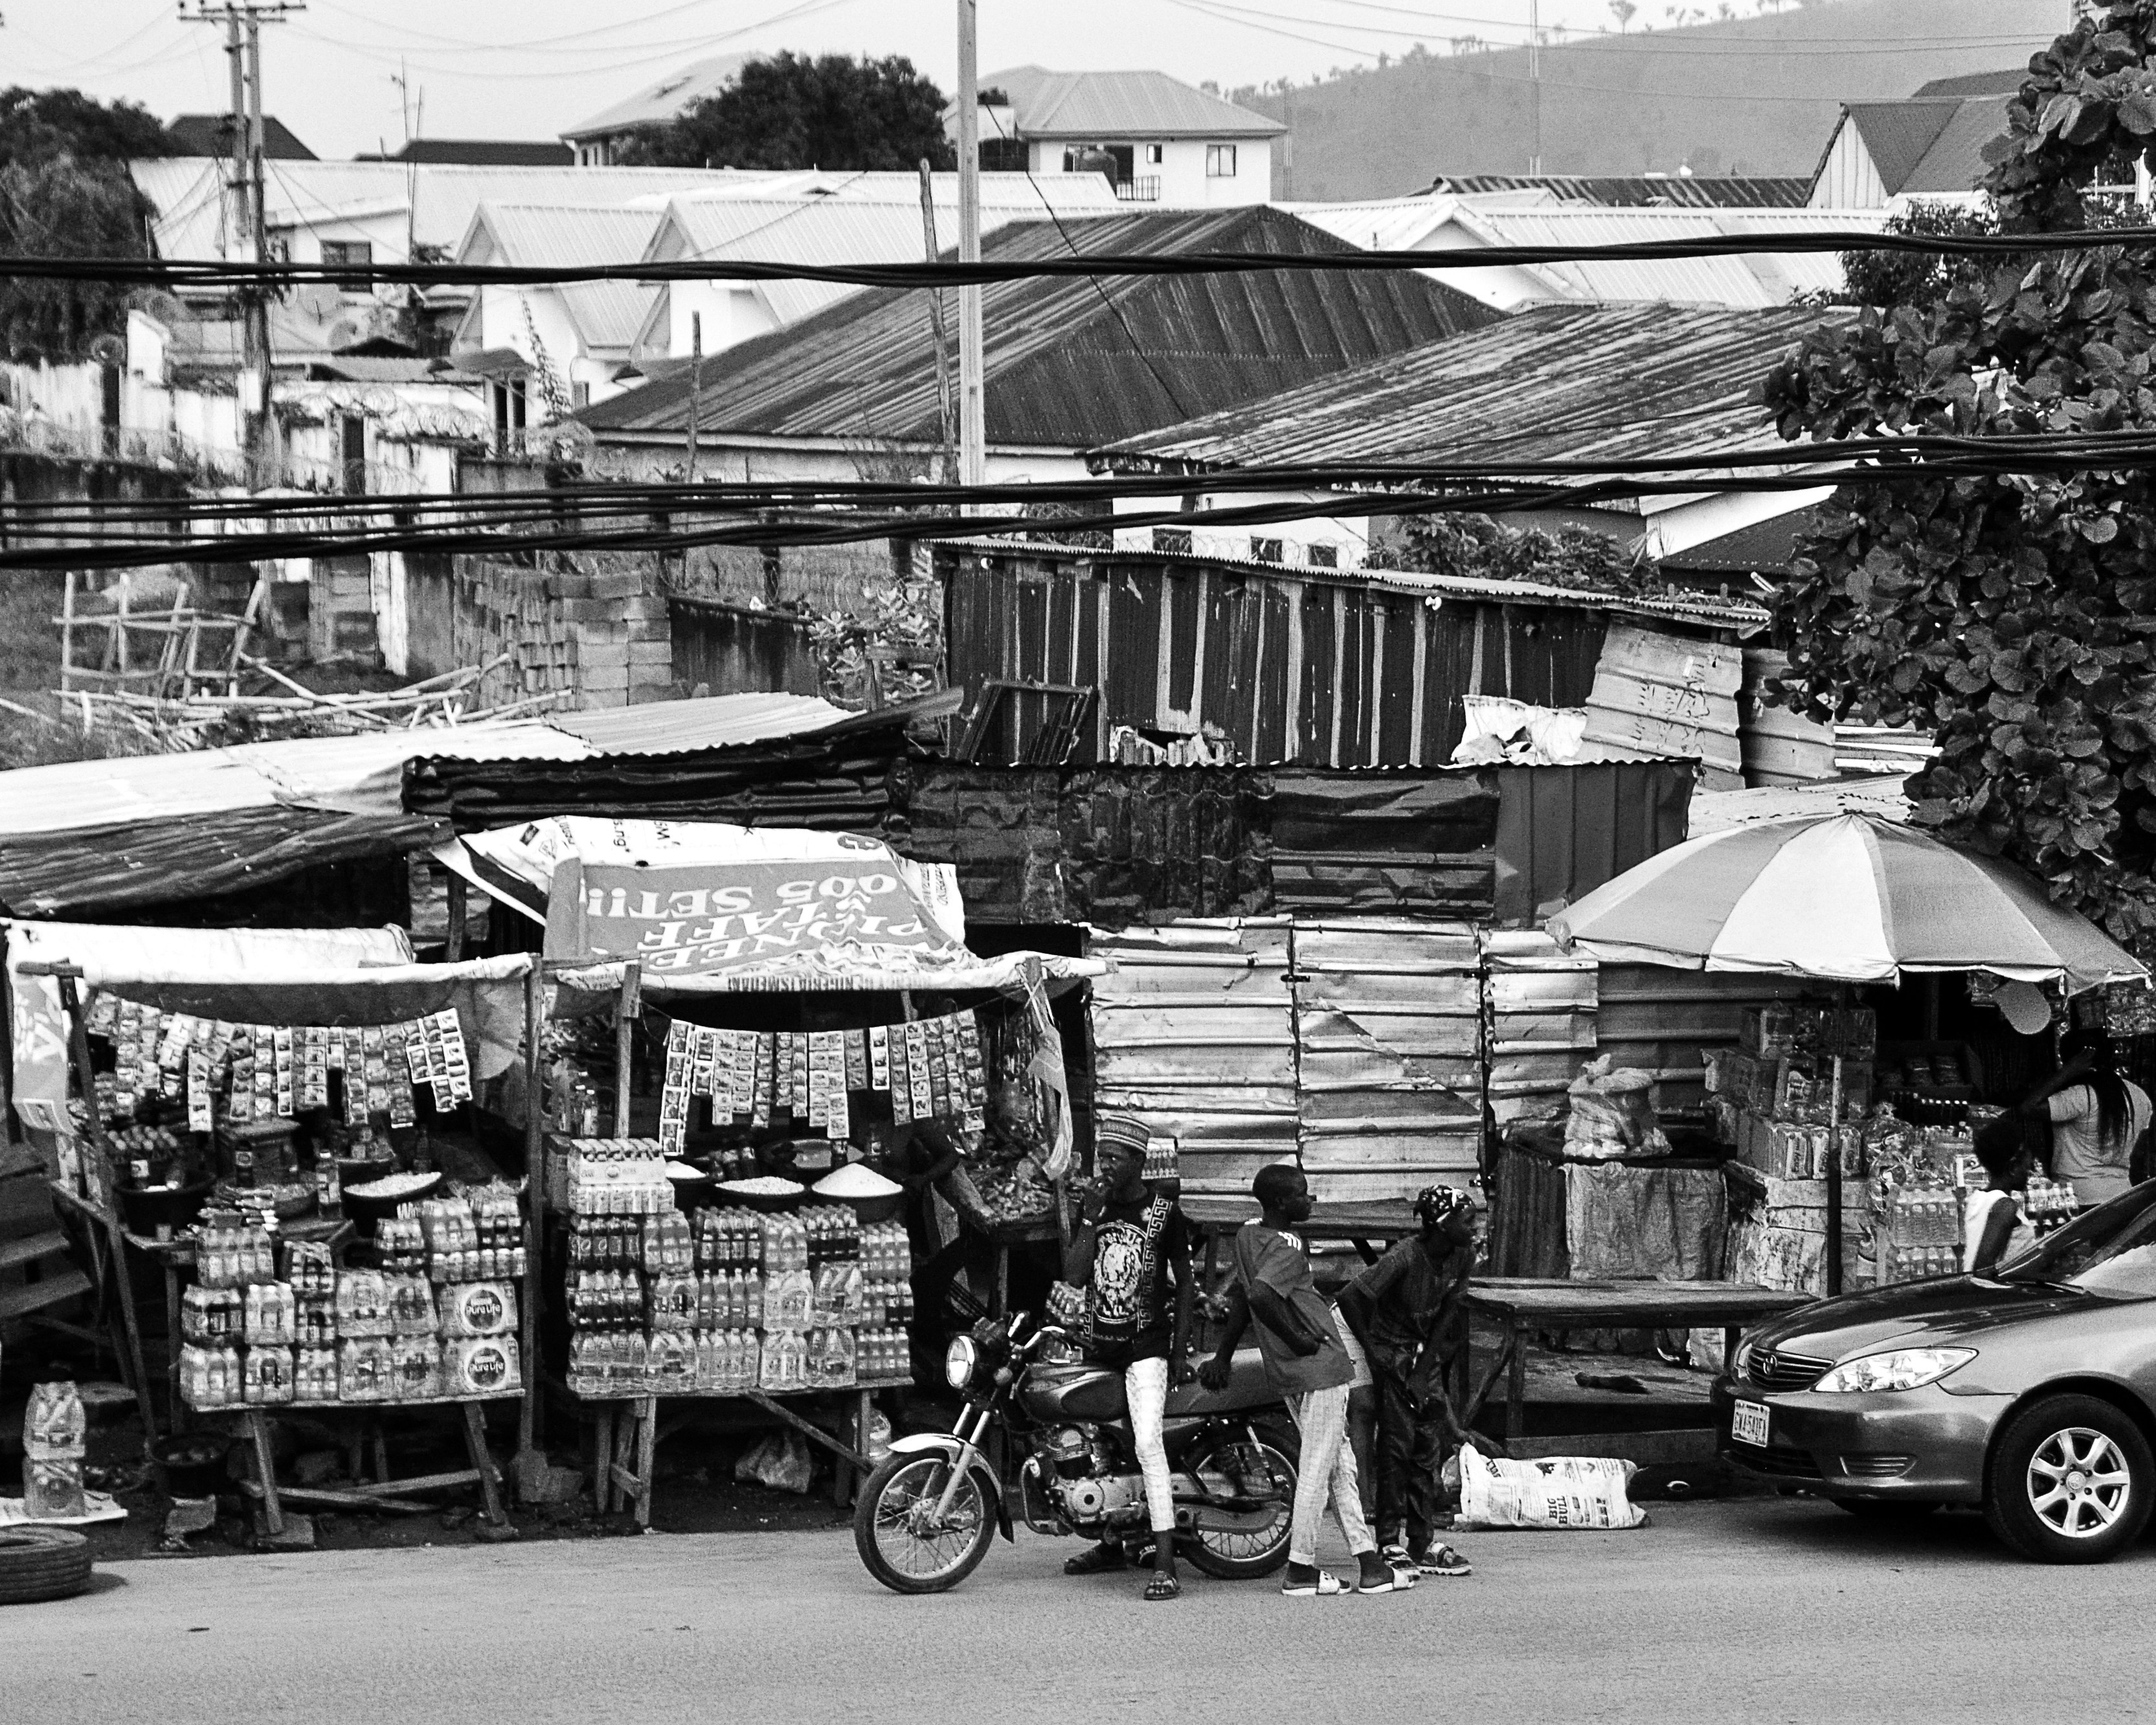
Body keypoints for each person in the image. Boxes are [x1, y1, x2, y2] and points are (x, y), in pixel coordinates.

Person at [1200, 1162, 1403, 1598]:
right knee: (1316, 1469)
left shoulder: (1246, 1235)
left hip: (1292, 1373)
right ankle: (1301, 1568)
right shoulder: (1289, 1244)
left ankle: (1370, 1563)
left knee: (1338, 1465)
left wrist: (1224, 1353)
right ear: (1280, 1203)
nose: (1310, 1201)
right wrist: (1301, 1338)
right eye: (1303, 1195)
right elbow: (1260, 1296)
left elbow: (1243, 1300)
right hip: (1320, 1366)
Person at [1061, 1112, 1194, 1603]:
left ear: (1139, 1162)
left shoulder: (1164, 1213)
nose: (1106, 1166)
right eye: (1103, 1157)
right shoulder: (1096, 1211)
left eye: (1115, 1158)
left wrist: (1178, 1351)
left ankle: (1165, 1563)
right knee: (1100, 1448)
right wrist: (1091, 1219)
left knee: (1146, 1445)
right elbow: (1075, 1276)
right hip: (1100, 1344)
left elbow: (1184, 1286)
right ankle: (1113, 1543)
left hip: (1145, 1347)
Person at [1334, 1184, 1479, 1579]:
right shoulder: (1404, 1257)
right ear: (1442, 1224)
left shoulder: (1463, 1255)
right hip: (1389, 1350)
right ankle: (1389, 1540)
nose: (1476, 1228)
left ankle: (1422, 1541)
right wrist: (1376, 1356)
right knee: (1396, 1448)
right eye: (1468, 1221)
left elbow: (1450, 1309)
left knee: (1426, 1448)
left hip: (1418, 1355)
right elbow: (1351, 1298)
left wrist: (1425, 1369)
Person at [2017, 1028, 2152, 1210]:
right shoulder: (2139, 1096)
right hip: (2122, 1195)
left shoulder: (2080, 1096)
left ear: (2072, 1060)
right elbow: (2138, 1154)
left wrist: (2067, 1071)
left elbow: (2027, 1107)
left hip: (2079, 1199)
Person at [1966, 1114, 2041, 1275]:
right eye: (2027, 1167)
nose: (2030, 1173)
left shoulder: (1977, 1198)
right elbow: (1983, 1269)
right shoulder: (2005, 1206)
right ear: (2013, 1168)